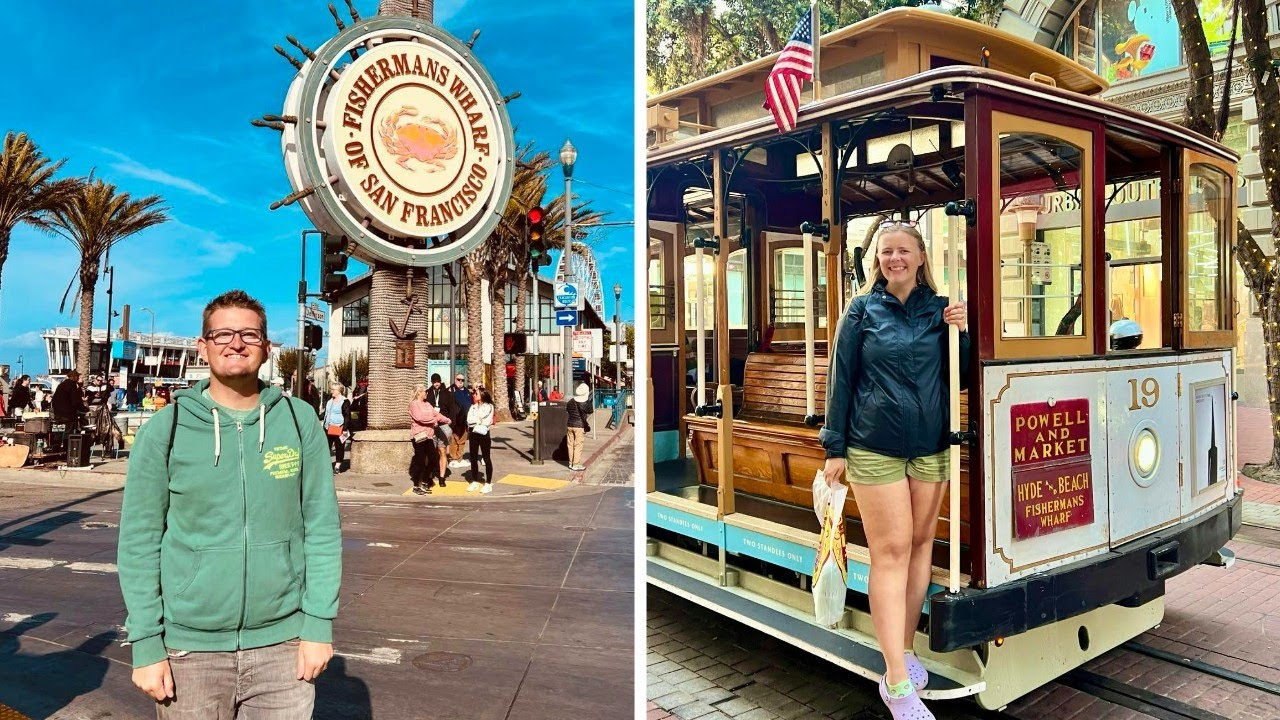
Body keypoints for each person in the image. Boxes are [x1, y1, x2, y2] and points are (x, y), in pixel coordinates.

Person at [117, 289, 341, 717]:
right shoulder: (166, 430)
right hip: (188, 652)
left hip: (284, 650)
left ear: (267, 347)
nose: (235, 343)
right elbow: (139, 543)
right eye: (222, 334)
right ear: (203, 347)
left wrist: (317, 624)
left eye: (249, 335)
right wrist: (146, 643)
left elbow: (322, 528)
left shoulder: (299, 422)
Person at [818, 221, 968, 720]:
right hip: (873, 447)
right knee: (891, 550)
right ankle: (897, 684)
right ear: (876, 259)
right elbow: (841, 381)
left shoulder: (940, 309)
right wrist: (834, 446)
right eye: (886, 252)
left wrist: (961, 333)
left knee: (922, 544)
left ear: (921, 256)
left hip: (930, 447)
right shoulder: (860, 311)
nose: (894, 259)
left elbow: (960, 377)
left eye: (904, 250)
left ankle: (904, 649)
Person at [408, 382, 449, 494]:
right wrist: (434, 421)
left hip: (429, 436)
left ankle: (425, 481)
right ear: (419, 392)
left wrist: (446, 419)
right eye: (425, 391)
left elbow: (436, 414)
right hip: (419, 435)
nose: (426, 392)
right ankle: (417, 485)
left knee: (433, 459)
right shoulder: (413, 404)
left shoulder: (427, 404)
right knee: (420, 461)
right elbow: (420, 418)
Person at [425, 374, 458, 481]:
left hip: (444, 424)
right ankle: (429, 475)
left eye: (438, 381)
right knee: (431, 452)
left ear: (440, 381)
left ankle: (442, 477)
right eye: (434, 382)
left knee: (442, 451)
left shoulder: (448, 394)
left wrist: (451, 425)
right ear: (431, 382)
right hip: (431, 425)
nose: (436, 384)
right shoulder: (427, 393)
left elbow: (452, 410)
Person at [466, 388, 496, 494]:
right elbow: (469, 420)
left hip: (484, 434)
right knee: (473, 458)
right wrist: (478, 421)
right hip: (473, 434)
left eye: (476, 393)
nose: (474, 395)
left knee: (486, 458)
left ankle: (488, 483)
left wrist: (477, 421)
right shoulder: (473, 407)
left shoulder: (489, 406)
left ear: (482, 395)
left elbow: (487, 422)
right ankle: (474, 481)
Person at [322, 383, 350, 474]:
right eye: (331, 389)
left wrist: (344, 429)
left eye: (333, 389)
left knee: (339, 447)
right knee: (326, 447)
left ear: (339, 391)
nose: (331, 391)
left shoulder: (344, 401)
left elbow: (347, 416)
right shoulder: (329, 401)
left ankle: (337, 466)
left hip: (339, 428)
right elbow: (325, 413)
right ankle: (325, 465)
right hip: (328, 427)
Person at [565, 383, 593, 472]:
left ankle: (571, 463)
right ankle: (576, 464)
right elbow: (590, 411)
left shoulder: (570, 401)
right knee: (578, 445)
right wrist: (589, 401)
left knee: (570, 444)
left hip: (570, 425)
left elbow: (568, 410)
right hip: (579, 426)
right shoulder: (585, 402)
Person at [447, 373, 472, 468]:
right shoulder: (450, 390)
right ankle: (453, 459)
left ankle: (459, 458)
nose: (460, 382)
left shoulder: (467, 391)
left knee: (462, 440)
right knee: (454, 440)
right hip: (454, 420)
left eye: (462, 380)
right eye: (458, 379)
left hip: (465, 420)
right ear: (455, 379)